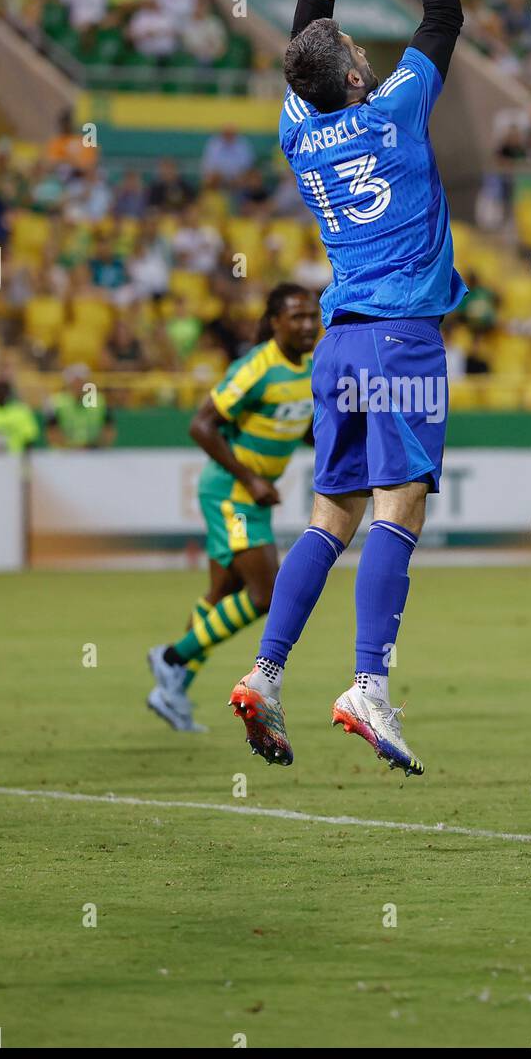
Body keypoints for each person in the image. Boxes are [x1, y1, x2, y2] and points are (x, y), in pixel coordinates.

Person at [226, 0, 466, 777]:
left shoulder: (299, 130)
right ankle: (367, 683)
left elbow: (305, 44)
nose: (367, 52)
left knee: (330, 517)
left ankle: (267, 668)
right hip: (403, 338)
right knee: (397, 508)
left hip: (338, 345)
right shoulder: (396, 112)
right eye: (361, 52)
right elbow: (444, 16)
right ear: (359, 75)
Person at [146, 285, 319, 732]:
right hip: (231, 492)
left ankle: (171, 691)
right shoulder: (255, 368)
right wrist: (251, 478)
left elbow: (295, 427)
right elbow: (201, 426)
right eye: (296, 317)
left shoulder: (310, 368)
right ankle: (170, 658)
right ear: (274, 321)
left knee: (220, 597)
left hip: (250, 493)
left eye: (311, 316)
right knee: (266, 594)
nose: (306, 325)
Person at [44, 365, 116, 448]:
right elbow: (52, 432)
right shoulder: (55, 402)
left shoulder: (100, 401)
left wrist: (95, 447)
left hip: (94, 453)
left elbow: (109, 430)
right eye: (75, 382)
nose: (78, 385)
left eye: (81, 382)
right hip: (64, 455)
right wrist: (72, 448)